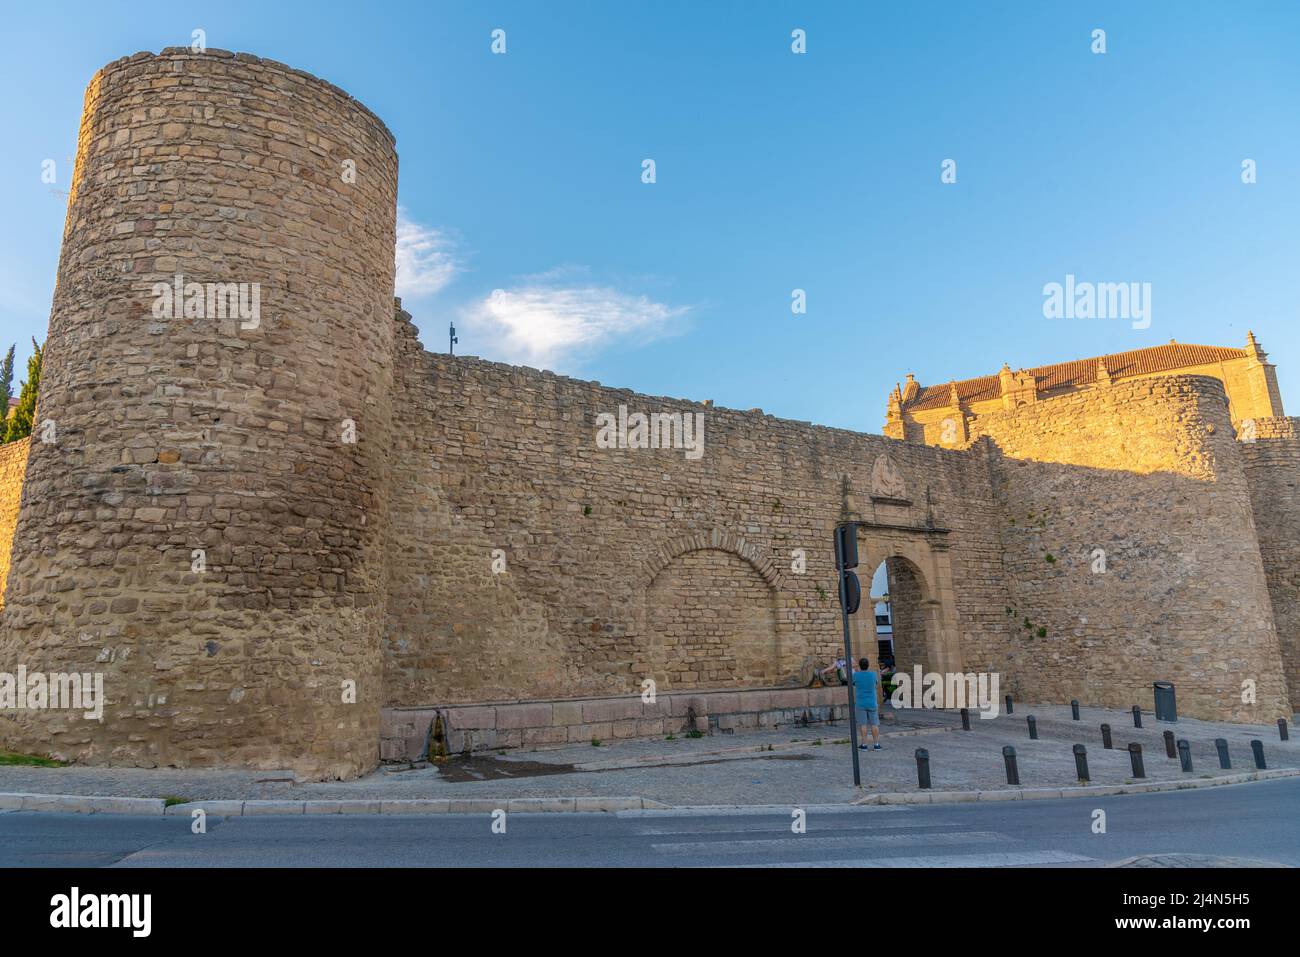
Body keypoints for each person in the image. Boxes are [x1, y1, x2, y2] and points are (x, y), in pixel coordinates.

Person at [853, 657, 881, 750]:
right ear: (868, 665)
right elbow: (876, 684)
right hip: (872, 701)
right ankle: (876, 744)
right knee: (874, 724)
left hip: (861, 702)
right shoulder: (873, 674)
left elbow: (852, 683)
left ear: (860, 666)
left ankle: (864, 744)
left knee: (863, 724)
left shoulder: (856, 675)